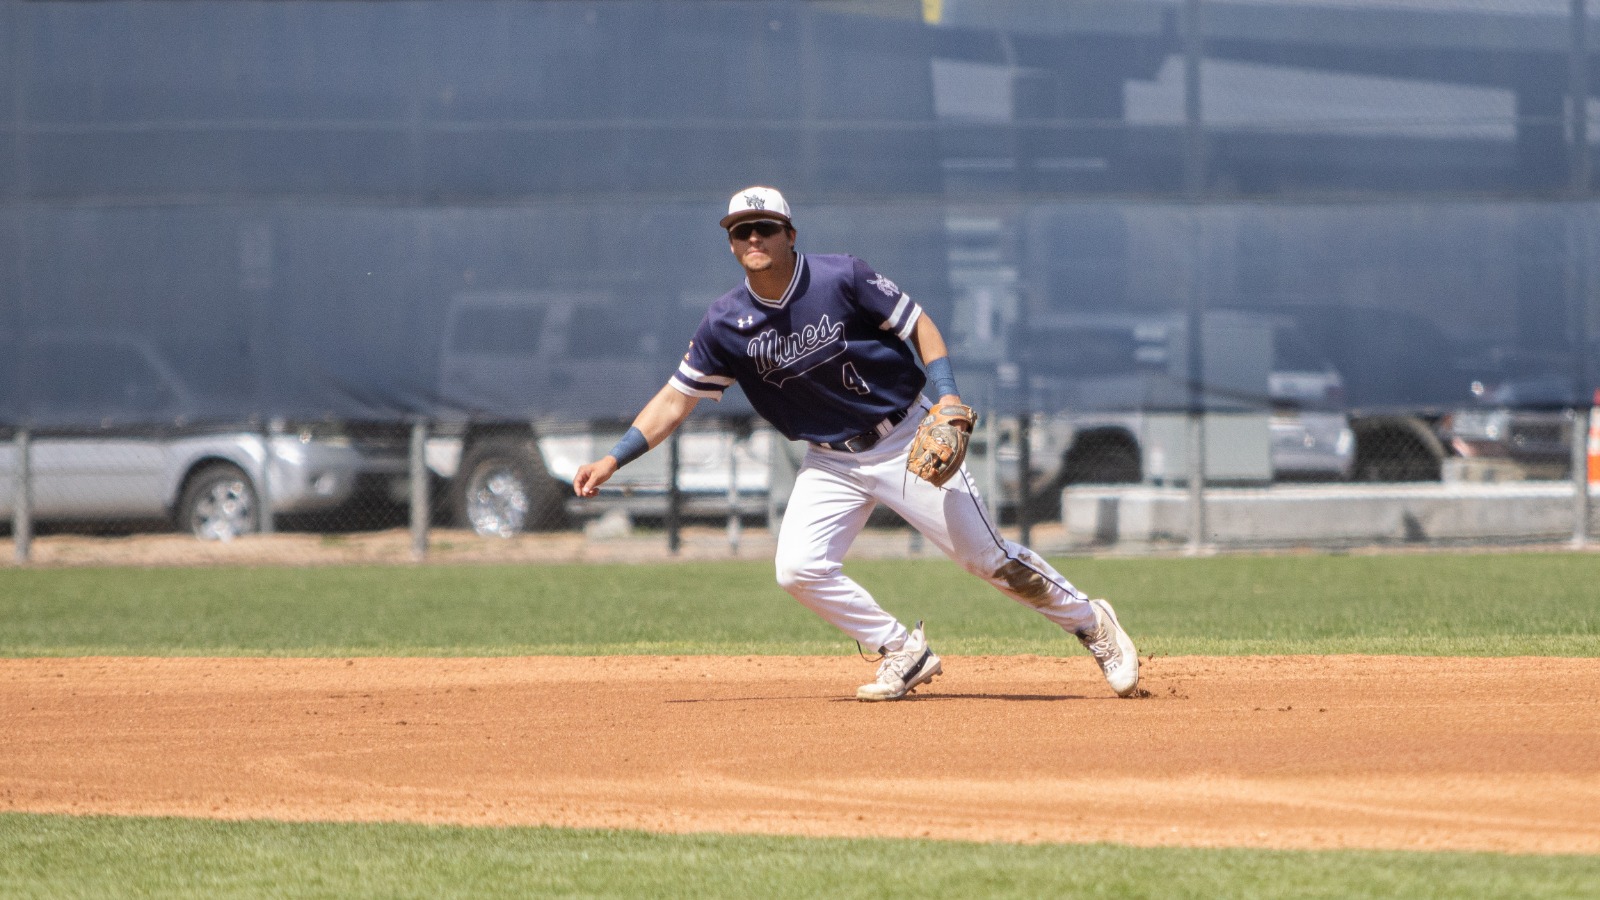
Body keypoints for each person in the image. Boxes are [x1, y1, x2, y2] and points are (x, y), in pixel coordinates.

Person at [573, 186, 1140, 701]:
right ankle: (902, 650)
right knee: (797, 568)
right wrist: (612, 457)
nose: (753, 238)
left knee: (986, 558)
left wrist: (945, 397)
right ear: (730, 243)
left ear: (789, 235)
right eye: (740, 230)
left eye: (765, 227)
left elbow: (921, 326)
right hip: (831, 461)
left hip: (906, 435)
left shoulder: (841, 277)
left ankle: (1091, 622)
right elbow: (675, 399)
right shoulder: (725, 324)